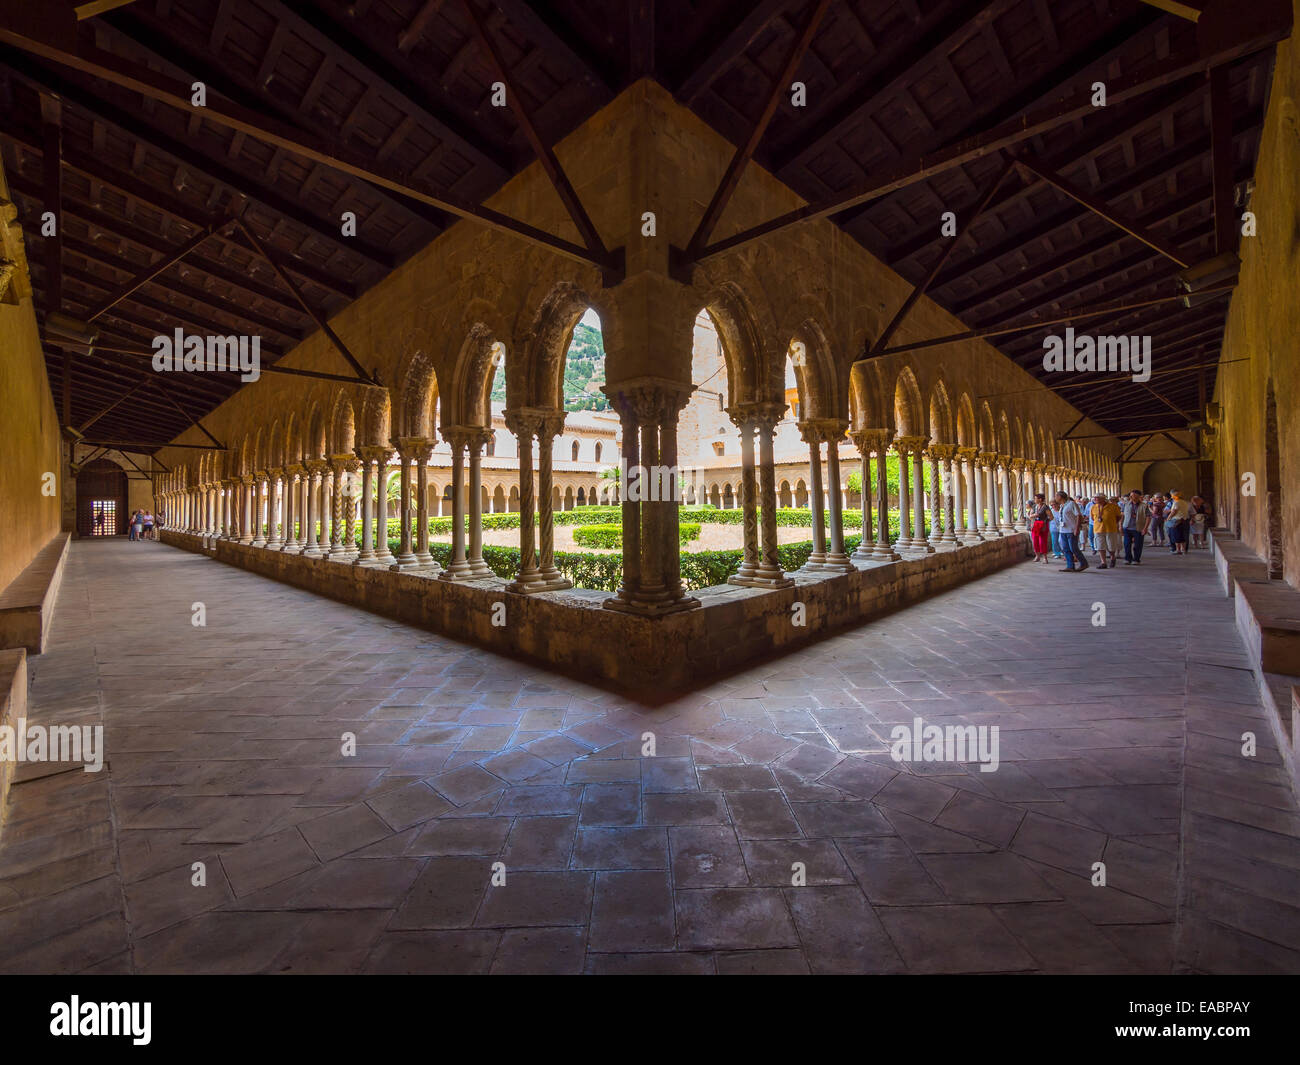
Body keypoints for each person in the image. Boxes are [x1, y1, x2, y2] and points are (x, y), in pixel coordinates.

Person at [1055, 491, 1089, 572]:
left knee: (1074, 548)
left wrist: (1077, 528)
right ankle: (1070, 566)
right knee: (1065, 548)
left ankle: (1084, 563)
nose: (1055, 497)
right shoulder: (1062, 505)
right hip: (1063, 530)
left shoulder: (1072, 504)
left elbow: (1078, 516)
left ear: (1061, 496)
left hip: (1071, 530)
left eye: (1057, 496)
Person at [1092, 494, 1122, 568]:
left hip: (1110, 529)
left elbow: (1118, 517)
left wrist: (1112, 523)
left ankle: (1112, 557)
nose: (1095, 499)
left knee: (1111, 546)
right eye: (1095, 497)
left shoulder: (1113, 507)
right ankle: (1103, 562)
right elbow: (1093, 518)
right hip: (1098, 529)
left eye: (1097, 497)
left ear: (1103, 499)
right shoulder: (1093, 507)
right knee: (1100, 546)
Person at [1121, 489, 1149, 565]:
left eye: (1134, 496)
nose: (1132, 497)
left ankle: (1136, 559)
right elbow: (1122, 515)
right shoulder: (1126, 504)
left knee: (1138, 545)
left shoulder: (1144, 505)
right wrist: (1120, 526)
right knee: (1127, 544)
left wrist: (1145, 528)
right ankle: (1127, 558)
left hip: (1138, 528)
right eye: (1131, 495)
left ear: (1139, 496)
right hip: (1127, 527)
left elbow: (1148, 517)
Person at [1029, 492, 1052, 564]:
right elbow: (1030, 515)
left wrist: (1045, 521)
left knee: (1042, 541)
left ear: (1040, 499)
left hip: (1043, 525)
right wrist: (1034, 515)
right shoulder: (1034, 506)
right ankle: (1037, 556)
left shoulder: (1045, 507)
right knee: (1035, 541)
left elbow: (1051, 517)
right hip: (1035, 525)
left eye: (1036, 498)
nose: (1034, 500)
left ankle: (1045, 557)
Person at [1166, 490, 1190, 555]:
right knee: (1183, 536)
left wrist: (1168, 518)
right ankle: (1184, 550)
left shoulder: (1176, 502)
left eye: (1172, 495)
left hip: (1177, 521)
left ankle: (1178, 549)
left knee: (1176, 536)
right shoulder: (1184, 502)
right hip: (1184, 520)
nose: (1171, 496)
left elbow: (1174, 511)